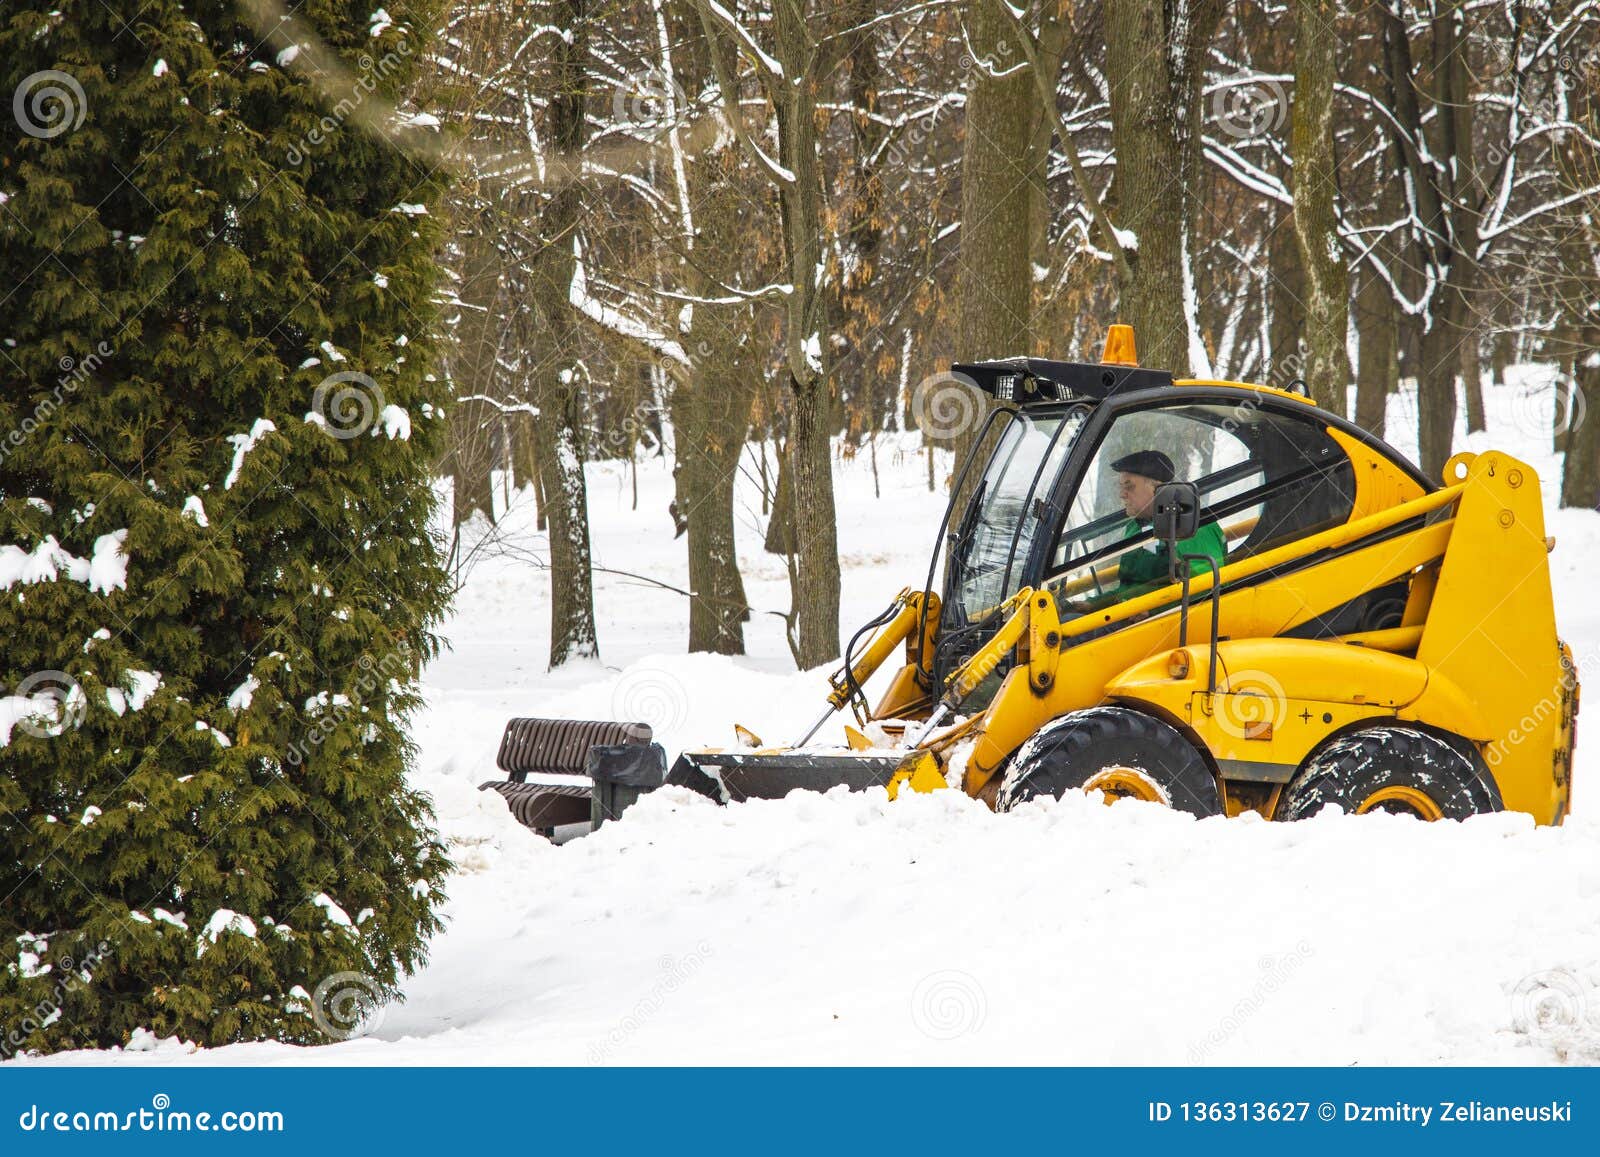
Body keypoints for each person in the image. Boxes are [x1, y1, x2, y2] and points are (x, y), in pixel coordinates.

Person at [1106, 449, 1226, 598]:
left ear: (1158, 489)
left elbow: (1206, 589)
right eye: (1121, 487)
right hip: (1130, 610)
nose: (1122, 494)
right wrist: (1094, 604)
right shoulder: (1135, 527)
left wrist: (1151, 609)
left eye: (1129, 486)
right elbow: (1128, 588)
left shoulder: (1191, 525)